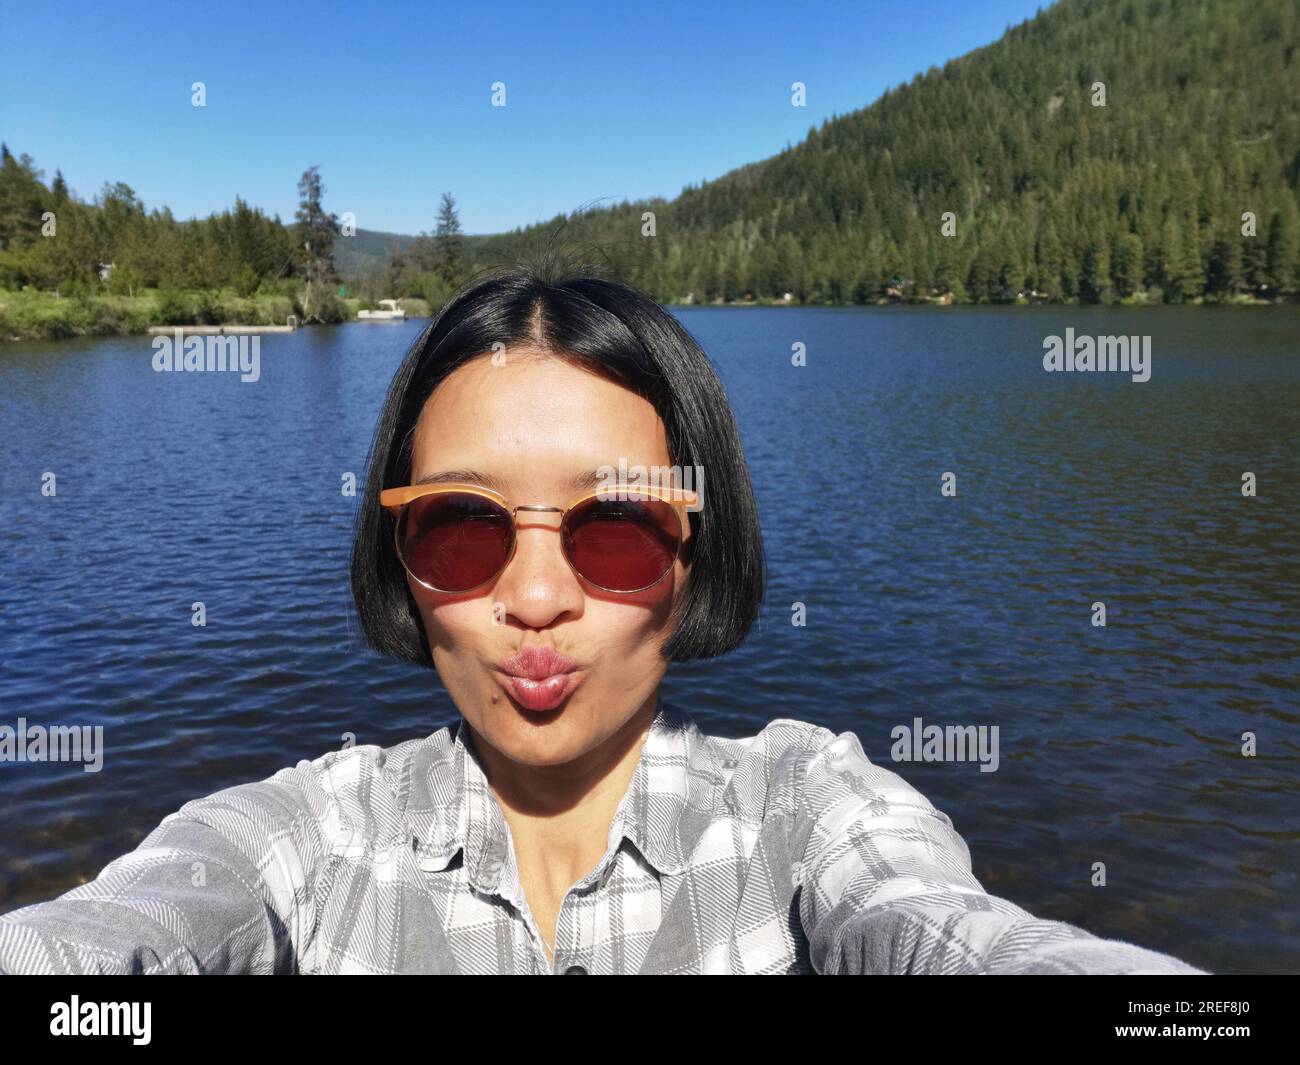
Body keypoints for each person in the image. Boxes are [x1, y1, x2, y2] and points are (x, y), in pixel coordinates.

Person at [0, 271, 1204, 974]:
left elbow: (940, 932)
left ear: (696, 550)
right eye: (461, 527)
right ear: (398, 555)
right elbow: (115, 937)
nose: (533, 599)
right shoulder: (303, 839)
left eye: (614, 527)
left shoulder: (804, 813)